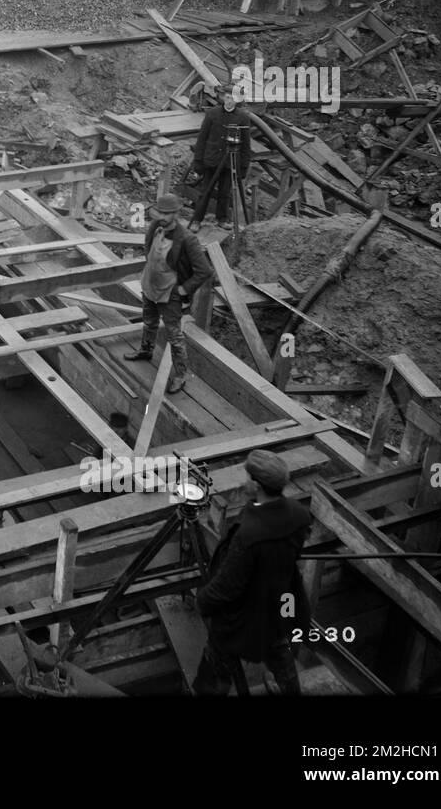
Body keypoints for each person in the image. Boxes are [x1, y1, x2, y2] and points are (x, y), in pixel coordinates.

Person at [192, 449, 312, 695]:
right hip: (281, 605)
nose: (244, 481)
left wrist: (202, 601)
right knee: (280, 652)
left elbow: (228, 586)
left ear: (256, 485)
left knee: (216, 662)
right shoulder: (299, 515)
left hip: (244, 617)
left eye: (248, 477)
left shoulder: (249, 535)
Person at [122, 193, 212, 394]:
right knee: (149, 321)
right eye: (159, 212)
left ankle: (181, 374)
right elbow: (148, 249)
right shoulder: (155, 227)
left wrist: (184, 289)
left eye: (166, 213)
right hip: (150, 285)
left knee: (174, 334)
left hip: (169, 292)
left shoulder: (187, 239)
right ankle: (146, 351)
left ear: (176, 214)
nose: (161, 216)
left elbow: (205, 271)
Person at [191, 83, 251, 230]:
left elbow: (245, 144)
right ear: (224, 97)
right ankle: (197, 220)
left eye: (232, 98)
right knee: (205, 191)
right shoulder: (212, 114)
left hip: (229, 162)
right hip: (212, 159)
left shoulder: (243, 117)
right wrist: (198, 161)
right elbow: (202, 139)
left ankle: (222, 219)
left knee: (225, 192)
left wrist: (243, 166)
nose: (229, 101)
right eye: (227, 97)